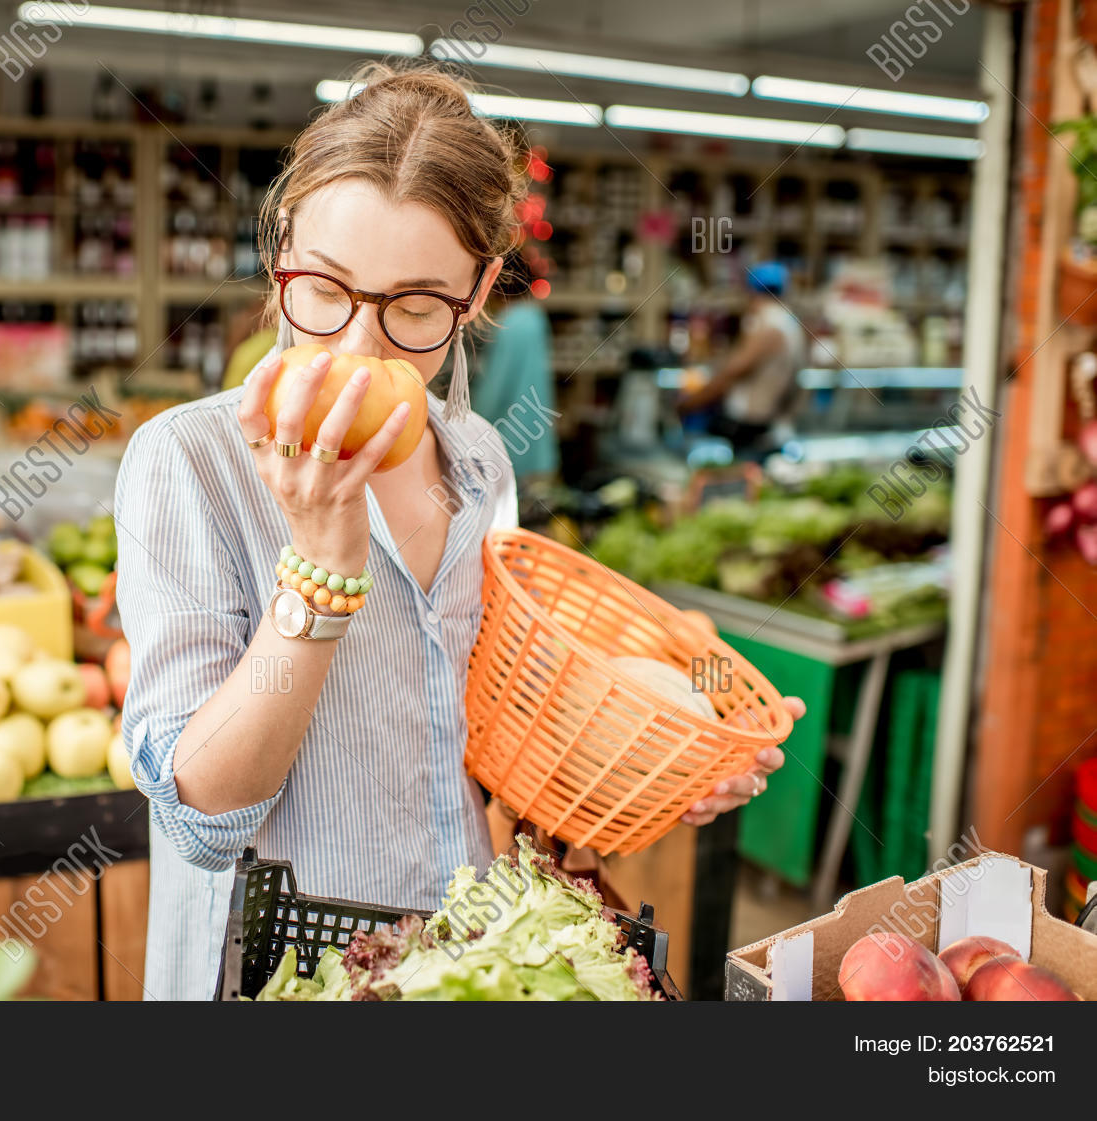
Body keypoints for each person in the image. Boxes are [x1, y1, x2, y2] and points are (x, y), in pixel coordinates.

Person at [115, 65, 799, 1001]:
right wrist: (318, 574)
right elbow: (201, 815)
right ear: (279, 251)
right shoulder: (189, 461)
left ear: (477, 292)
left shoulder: (478, 461)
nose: (359, 350)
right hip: (281, 971)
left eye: (414, 308)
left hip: (467, 958)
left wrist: (659, 760)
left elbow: (478, 737)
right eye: (325, 288)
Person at [677, 262, 806, 459]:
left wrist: (689, 404)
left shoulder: (768, 324)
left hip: (750, 425)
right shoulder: (791, 322)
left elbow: (733, 371)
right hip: (773, 420)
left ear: (751, 291)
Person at [469, 273, 559, 486]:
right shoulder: (535, 318)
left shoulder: (509, 324)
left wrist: (469, 424)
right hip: (536, 435)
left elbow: (495, 389)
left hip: (508, 443)